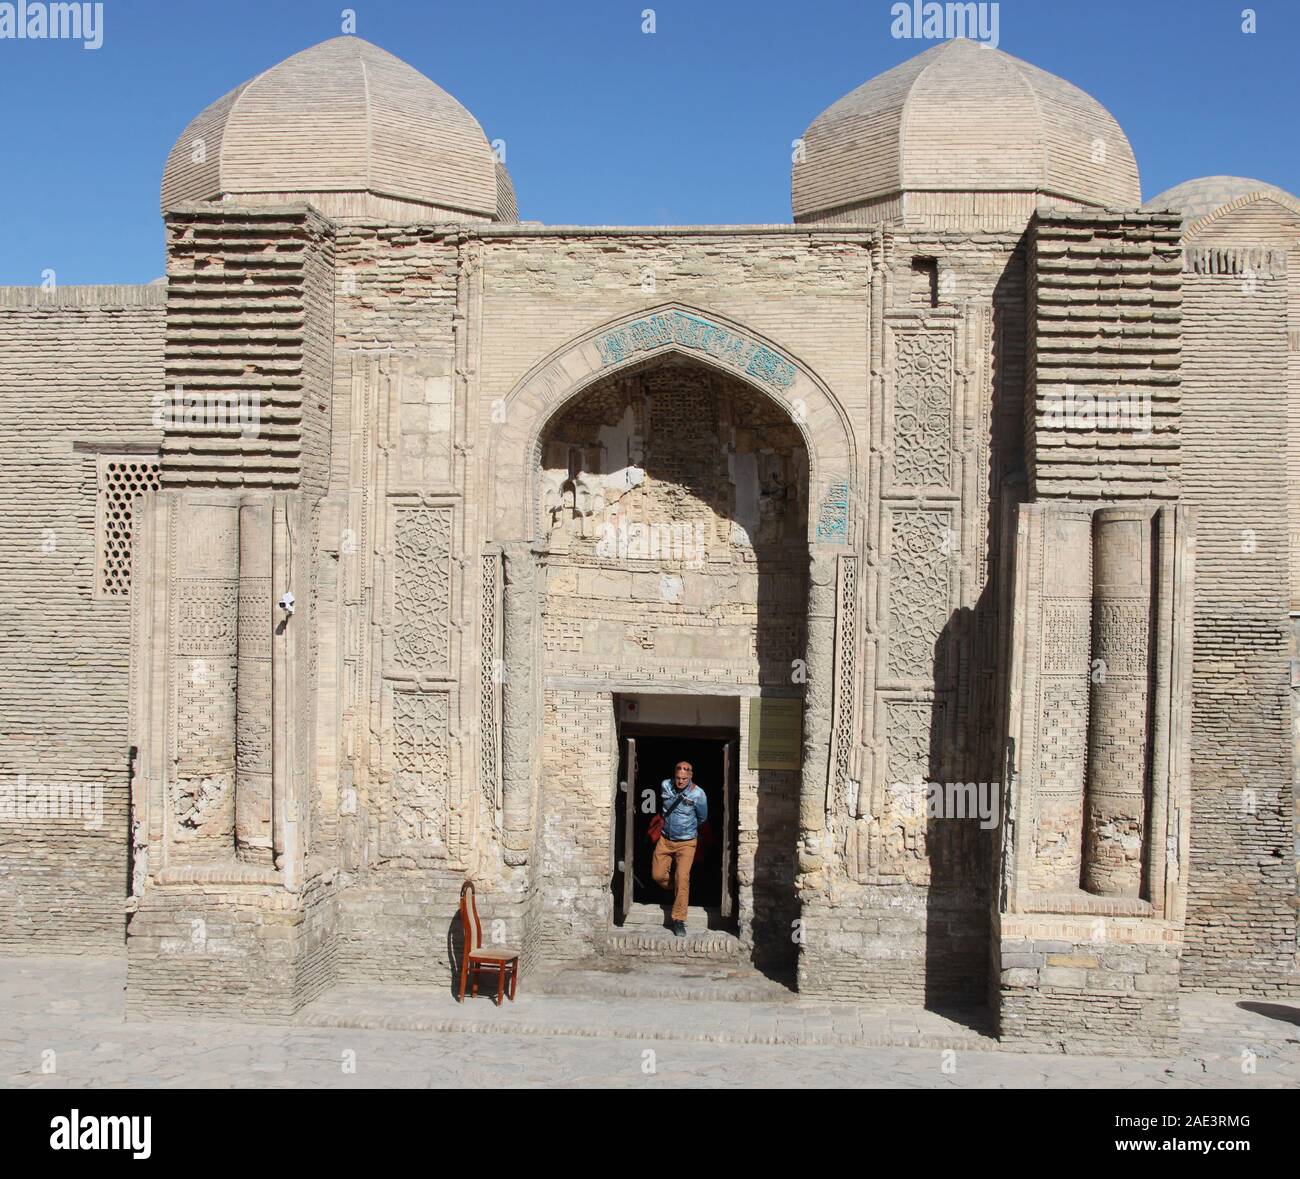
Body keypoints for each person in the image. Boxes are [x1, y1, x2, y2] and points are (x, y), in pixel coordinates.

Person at [651, 760, 708, 937]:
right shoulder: (665, 786)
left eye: (684, 778)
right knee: (658, 875)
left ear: (690, 776)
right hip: (665, 839)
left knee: (683, 878)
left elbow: (702, 817)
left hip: (686, 842)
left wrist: (686, 829)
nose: (680, 781)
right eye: (677, 778)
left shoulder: (698, 794)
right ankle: (679, 889)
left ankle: (678, 919)